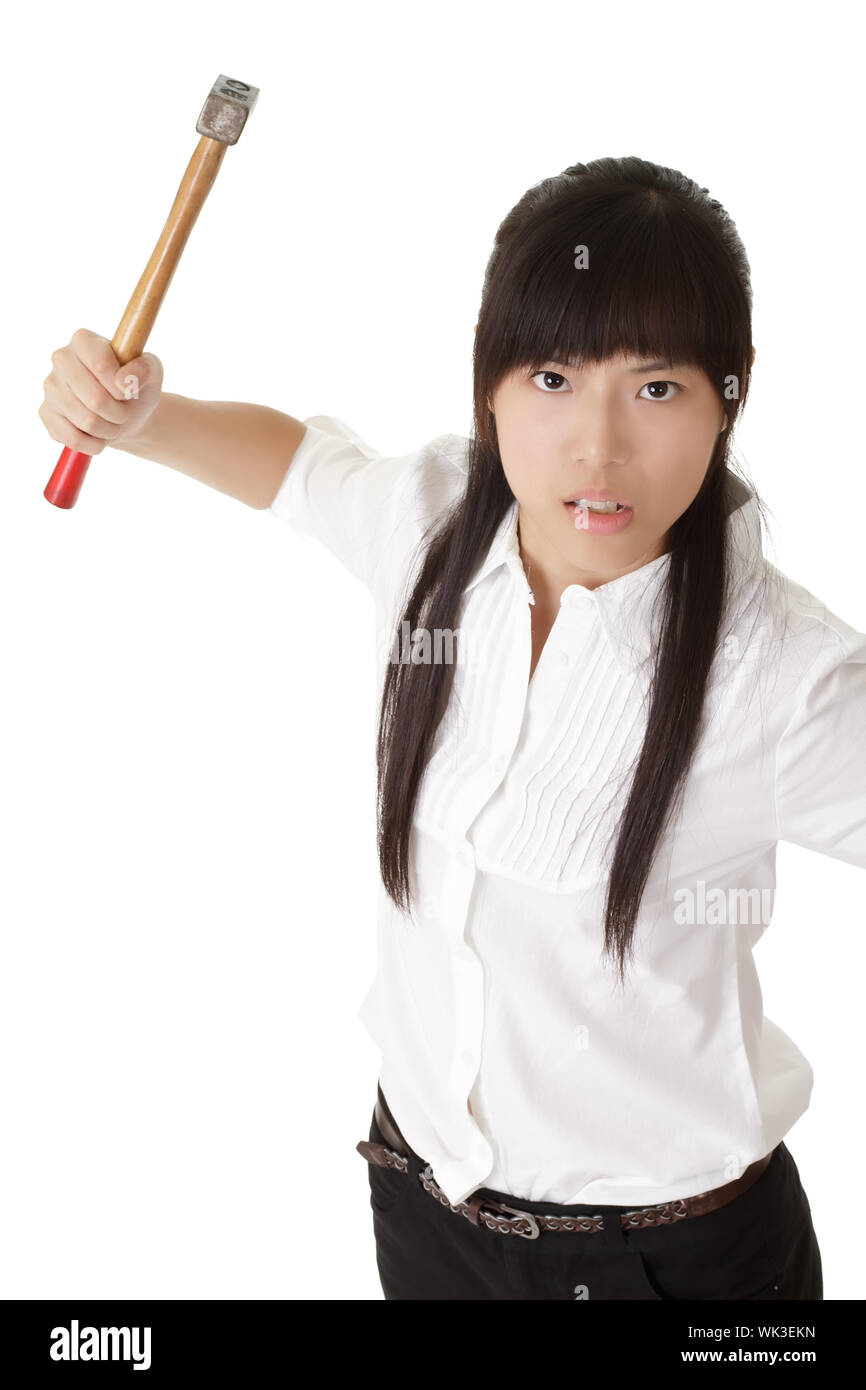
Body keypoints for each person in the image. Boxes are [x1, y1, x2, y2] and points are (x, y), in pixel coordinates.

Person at [38, 155, 863, 1301]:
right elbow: (297, 465)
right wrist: (140, 419)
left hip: (667, 1264)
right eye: (553, 376)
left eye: (658, 388)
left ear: (732, 389)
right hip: (420, 1205)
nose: (597, 446)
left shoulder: (783, 677)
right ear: (486, 382)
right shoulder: (429, 527)